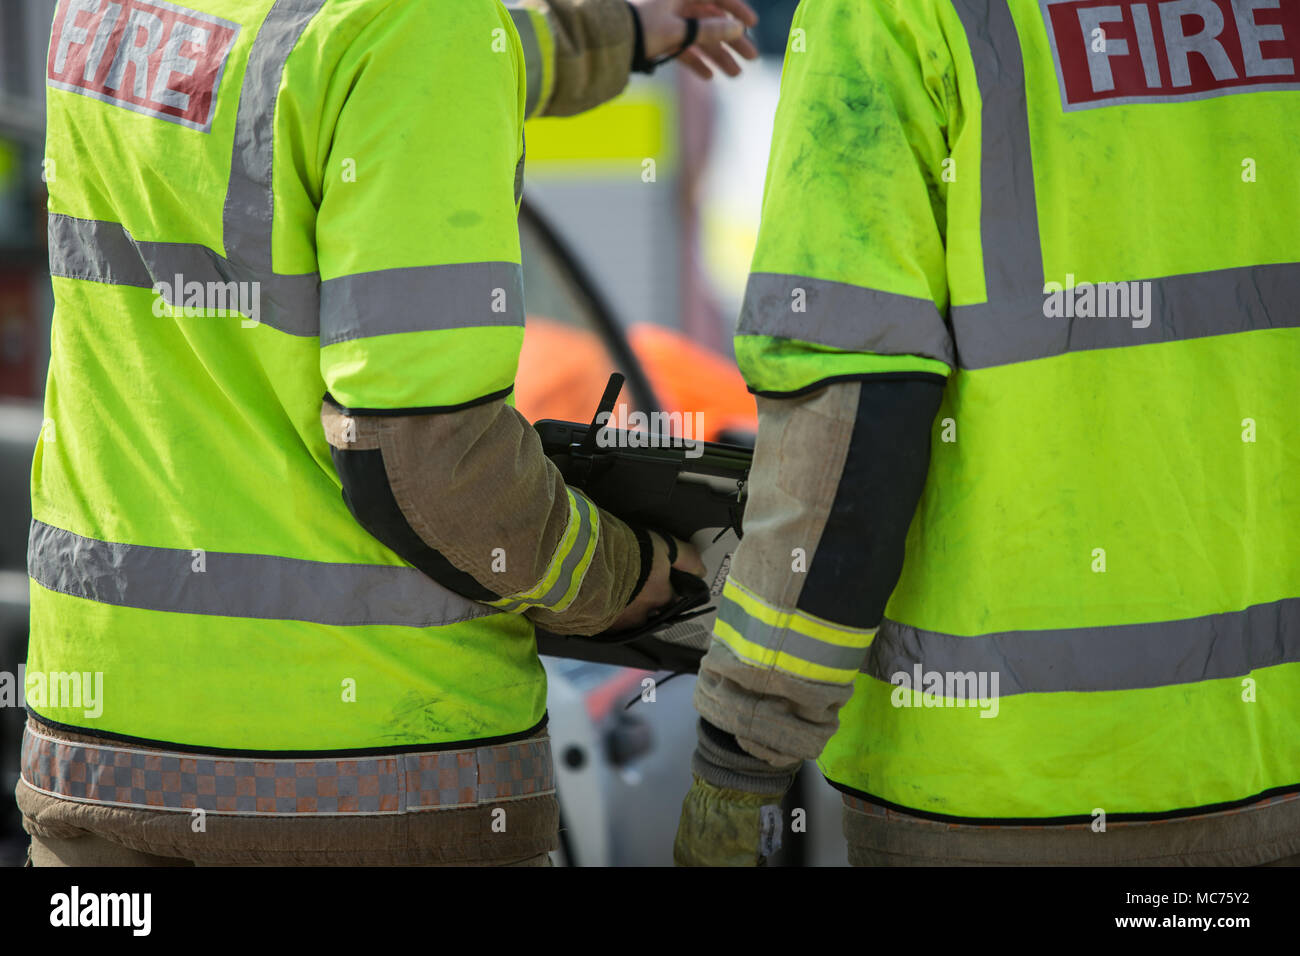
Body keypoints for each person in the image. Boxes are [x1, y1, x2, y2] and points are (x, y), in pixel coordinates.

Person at [20, 0, 751, 867]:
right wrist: (643, 579)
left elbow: (328, 73)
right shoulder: (415, 28)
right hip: (368, 774)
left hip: (104, 748)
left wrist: (612, 31)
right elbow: (429, 468)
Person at [675, 0, 1300, 866]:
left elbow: (855, 418)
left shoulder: (890, 16)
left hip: (996, 791)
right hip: (1271, 769)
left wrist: (740, 753)